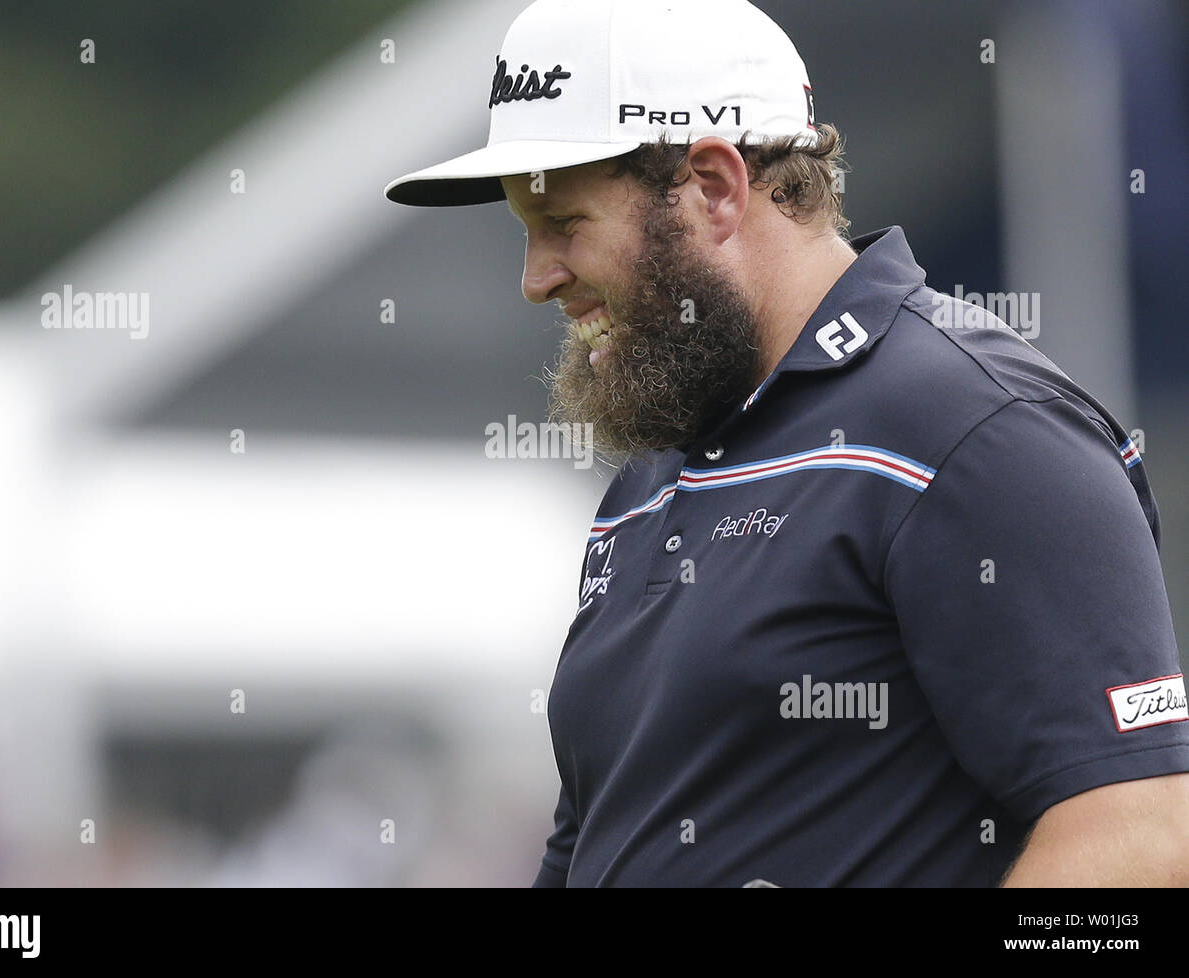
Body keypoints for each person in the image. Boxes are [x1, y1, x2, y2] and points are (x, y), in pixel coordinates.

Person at [385, 0, 1189, 886]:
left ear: (717, 189)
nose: (536, 280)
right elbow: (592, 845)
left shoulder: (980, 430)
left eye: (565, 225)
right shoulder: (661, 467)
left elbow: (1138, 843)